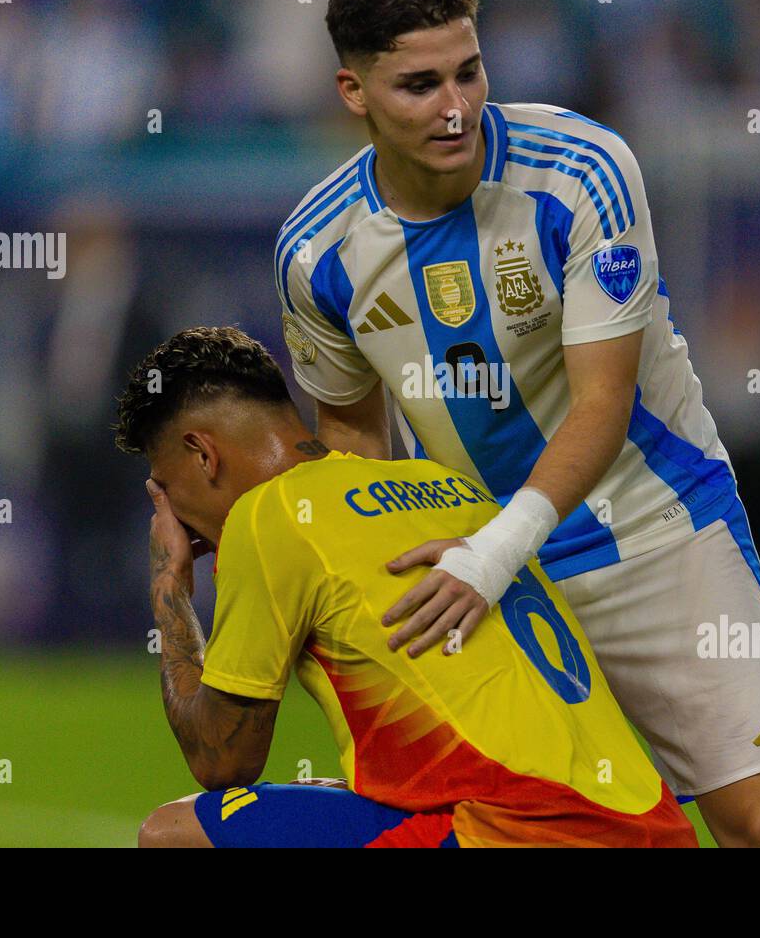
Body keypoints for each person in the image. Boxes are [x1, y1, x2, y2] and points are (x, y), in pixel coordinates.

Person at [274, 0, 760, 846]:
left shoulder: (582, 169)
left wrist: (494, 554)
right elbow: (353, 441)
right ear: (353, 93)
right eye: (418, 85)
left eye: (469, 72)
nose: (456, 108)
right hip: (480, 578)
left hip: (657, 529)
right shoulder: (316, 253)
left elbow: (604, 400)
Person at [114, 325, 697, 847]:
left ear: (202, 455)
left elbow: (221, 758)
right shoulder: (446, 485)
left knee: (173, 835)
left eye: (167, 490)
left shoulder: (270, 515)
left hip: (518, 830)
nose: (178, 518)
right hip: (654, 827)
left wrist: (171, 588)